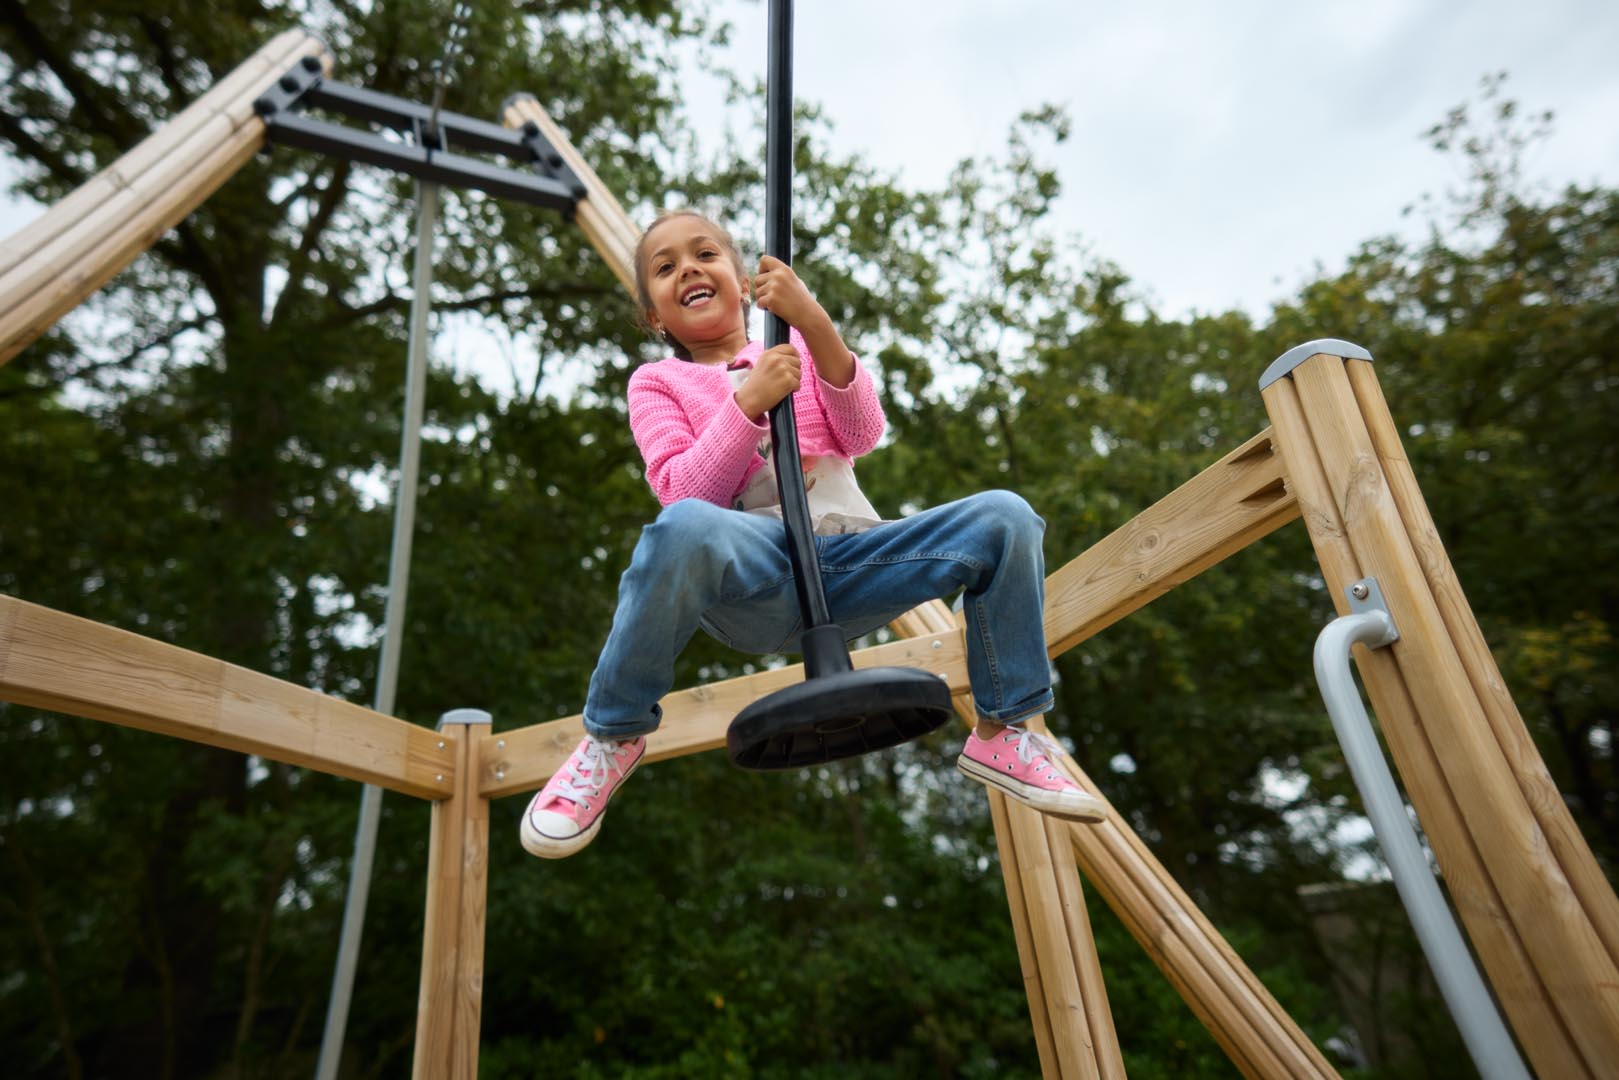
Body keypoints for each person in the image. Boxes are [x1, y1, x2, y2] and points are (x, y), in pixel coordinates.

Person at [521, 209, 1105, 859]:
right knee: (681, 528)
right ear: (655, 317)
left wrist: (814, 323)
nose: (687, 266)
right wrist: (746, 404)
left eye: (705, 253)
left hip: (850, 556)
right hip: (756, 573)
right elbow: (683, 493)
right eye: (664, 267)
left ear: (743, 283)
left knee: (1004, 516)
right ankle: (612, 735)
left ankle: (1005, 729)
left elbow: (859, 434)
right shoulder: (658, 381)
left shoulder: (792, 345)